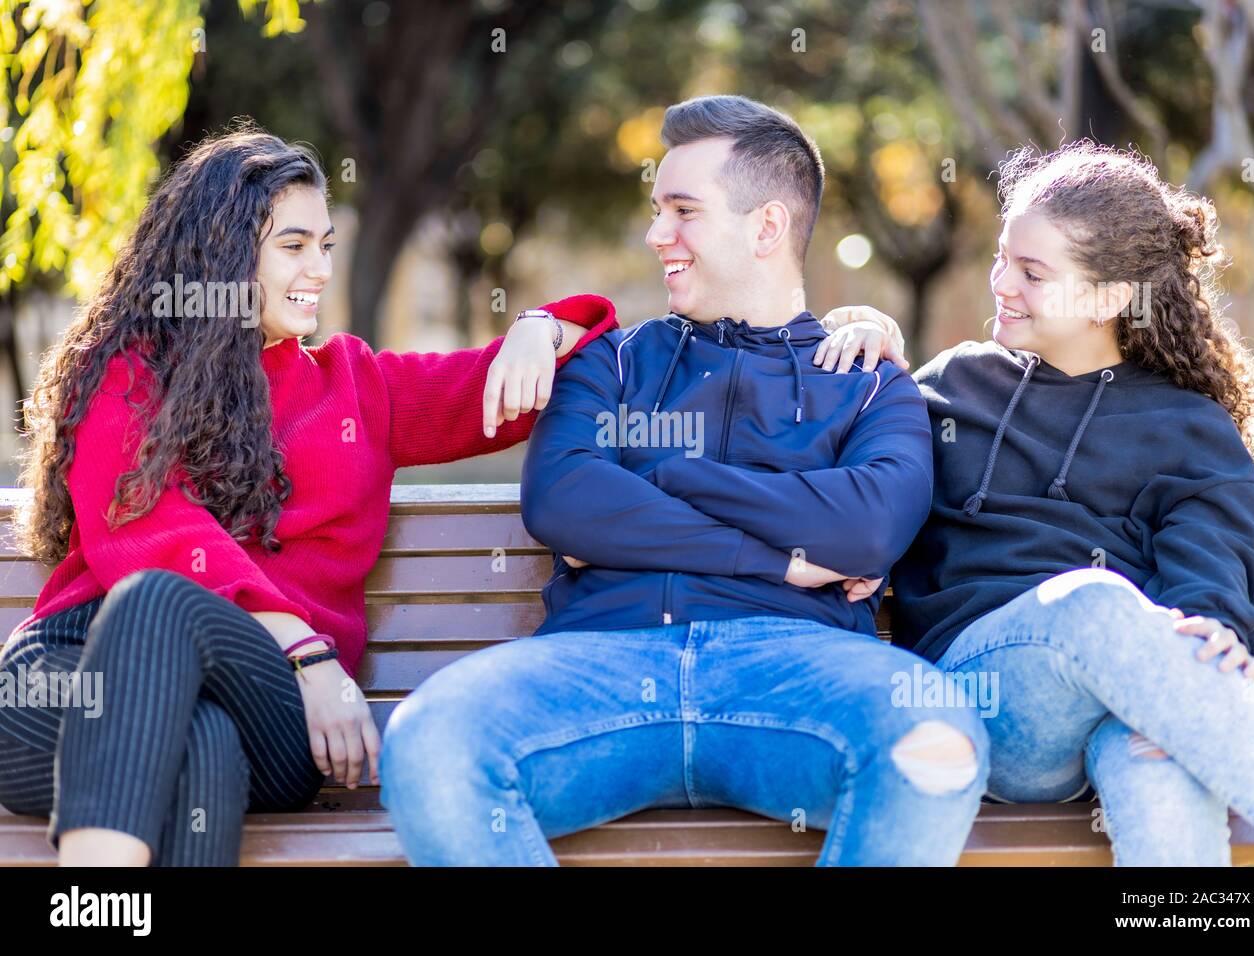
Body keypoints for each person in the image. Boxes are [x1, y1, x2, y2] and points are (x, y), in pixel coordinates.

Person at [380, 94, 990, 867]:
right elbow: (562, 497)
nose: (655, 233)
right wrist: (778, 558)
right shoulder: (614, 361)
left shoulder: (870, 384)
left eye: (683, 211)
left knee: (938, 735)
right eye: (656, 209)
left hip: (796, 675)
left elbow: (866, 528)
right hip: (597, 665)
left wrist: (666, 473)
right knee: (429, 743)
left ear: (766, 226)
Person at [0, 125, 617, 866]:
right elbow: (151, 533)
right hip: (70, 685)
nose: (319, 267)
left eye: (326, 244)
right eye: (294, 245)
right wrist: (310, 655)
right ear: (222, 253)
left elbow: (526, 379)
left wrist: (541, 326)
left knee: (196, 694)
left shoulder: (359, 387)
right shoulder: (129, 374)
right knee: (196, 728)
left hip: (275, 714)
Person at [818, 142, 1254, 865]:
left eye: (1032, 273)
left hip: (1120, 704)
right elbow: (862, 480)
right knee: (1090, 602)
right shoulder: (954, 387)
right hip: (981, 701)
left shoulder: (1186, 424)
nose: (1001, 284)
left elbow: (1217, 549)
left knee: (1162, 759)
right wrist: (864, 343)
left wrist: (1212, 624)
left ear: (1108, 298)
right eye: (1003, 259)